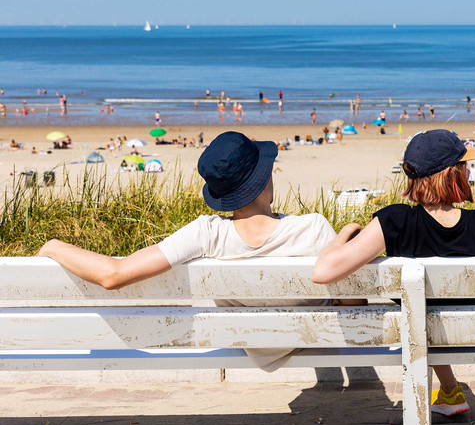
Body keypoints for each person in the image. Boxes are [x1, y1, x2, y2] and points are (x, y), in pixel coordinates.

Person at [37, 132, 360, 371]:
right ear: (264, 181)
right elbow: (354, 305)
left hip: (255, 344)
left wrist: (54, 246)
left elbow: (113, 275)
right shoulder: (313, 228)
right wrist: (346, 234)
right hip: (310, 336)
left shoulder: (207, 233)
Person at [313, 130, 475, 416]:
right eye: (464, 166)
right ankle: (450, 391)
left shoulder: (395, 222)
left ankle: (451, 391)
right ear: (453, 176)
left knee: (422, 309)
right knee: (437, 309)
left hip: (418, 325)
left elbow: (323, 272)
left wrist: (346, 232)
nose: (468, 171)